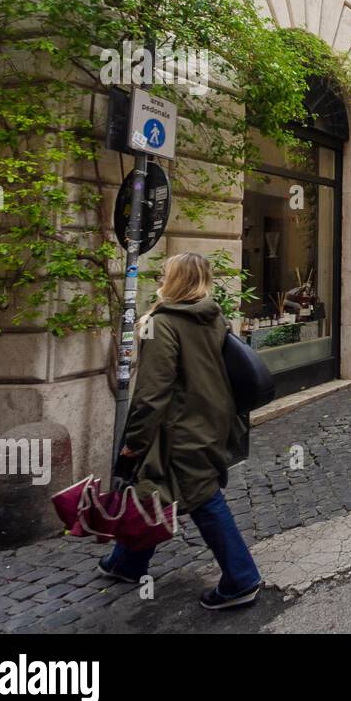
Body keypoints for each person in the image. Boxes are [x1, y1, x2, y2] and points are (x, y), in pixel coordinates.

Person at [96, 253, 262, 610]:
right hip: (213, 421)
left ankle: (241, 578)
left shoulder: (163, 323)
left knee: (201, 497)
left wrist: (134, 442)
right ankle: (127, 562)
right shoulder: (213, 317)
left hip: (181, 429)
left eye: (165, 274)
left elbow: (151, 393)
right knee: (154, 490)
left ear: (174, 281)